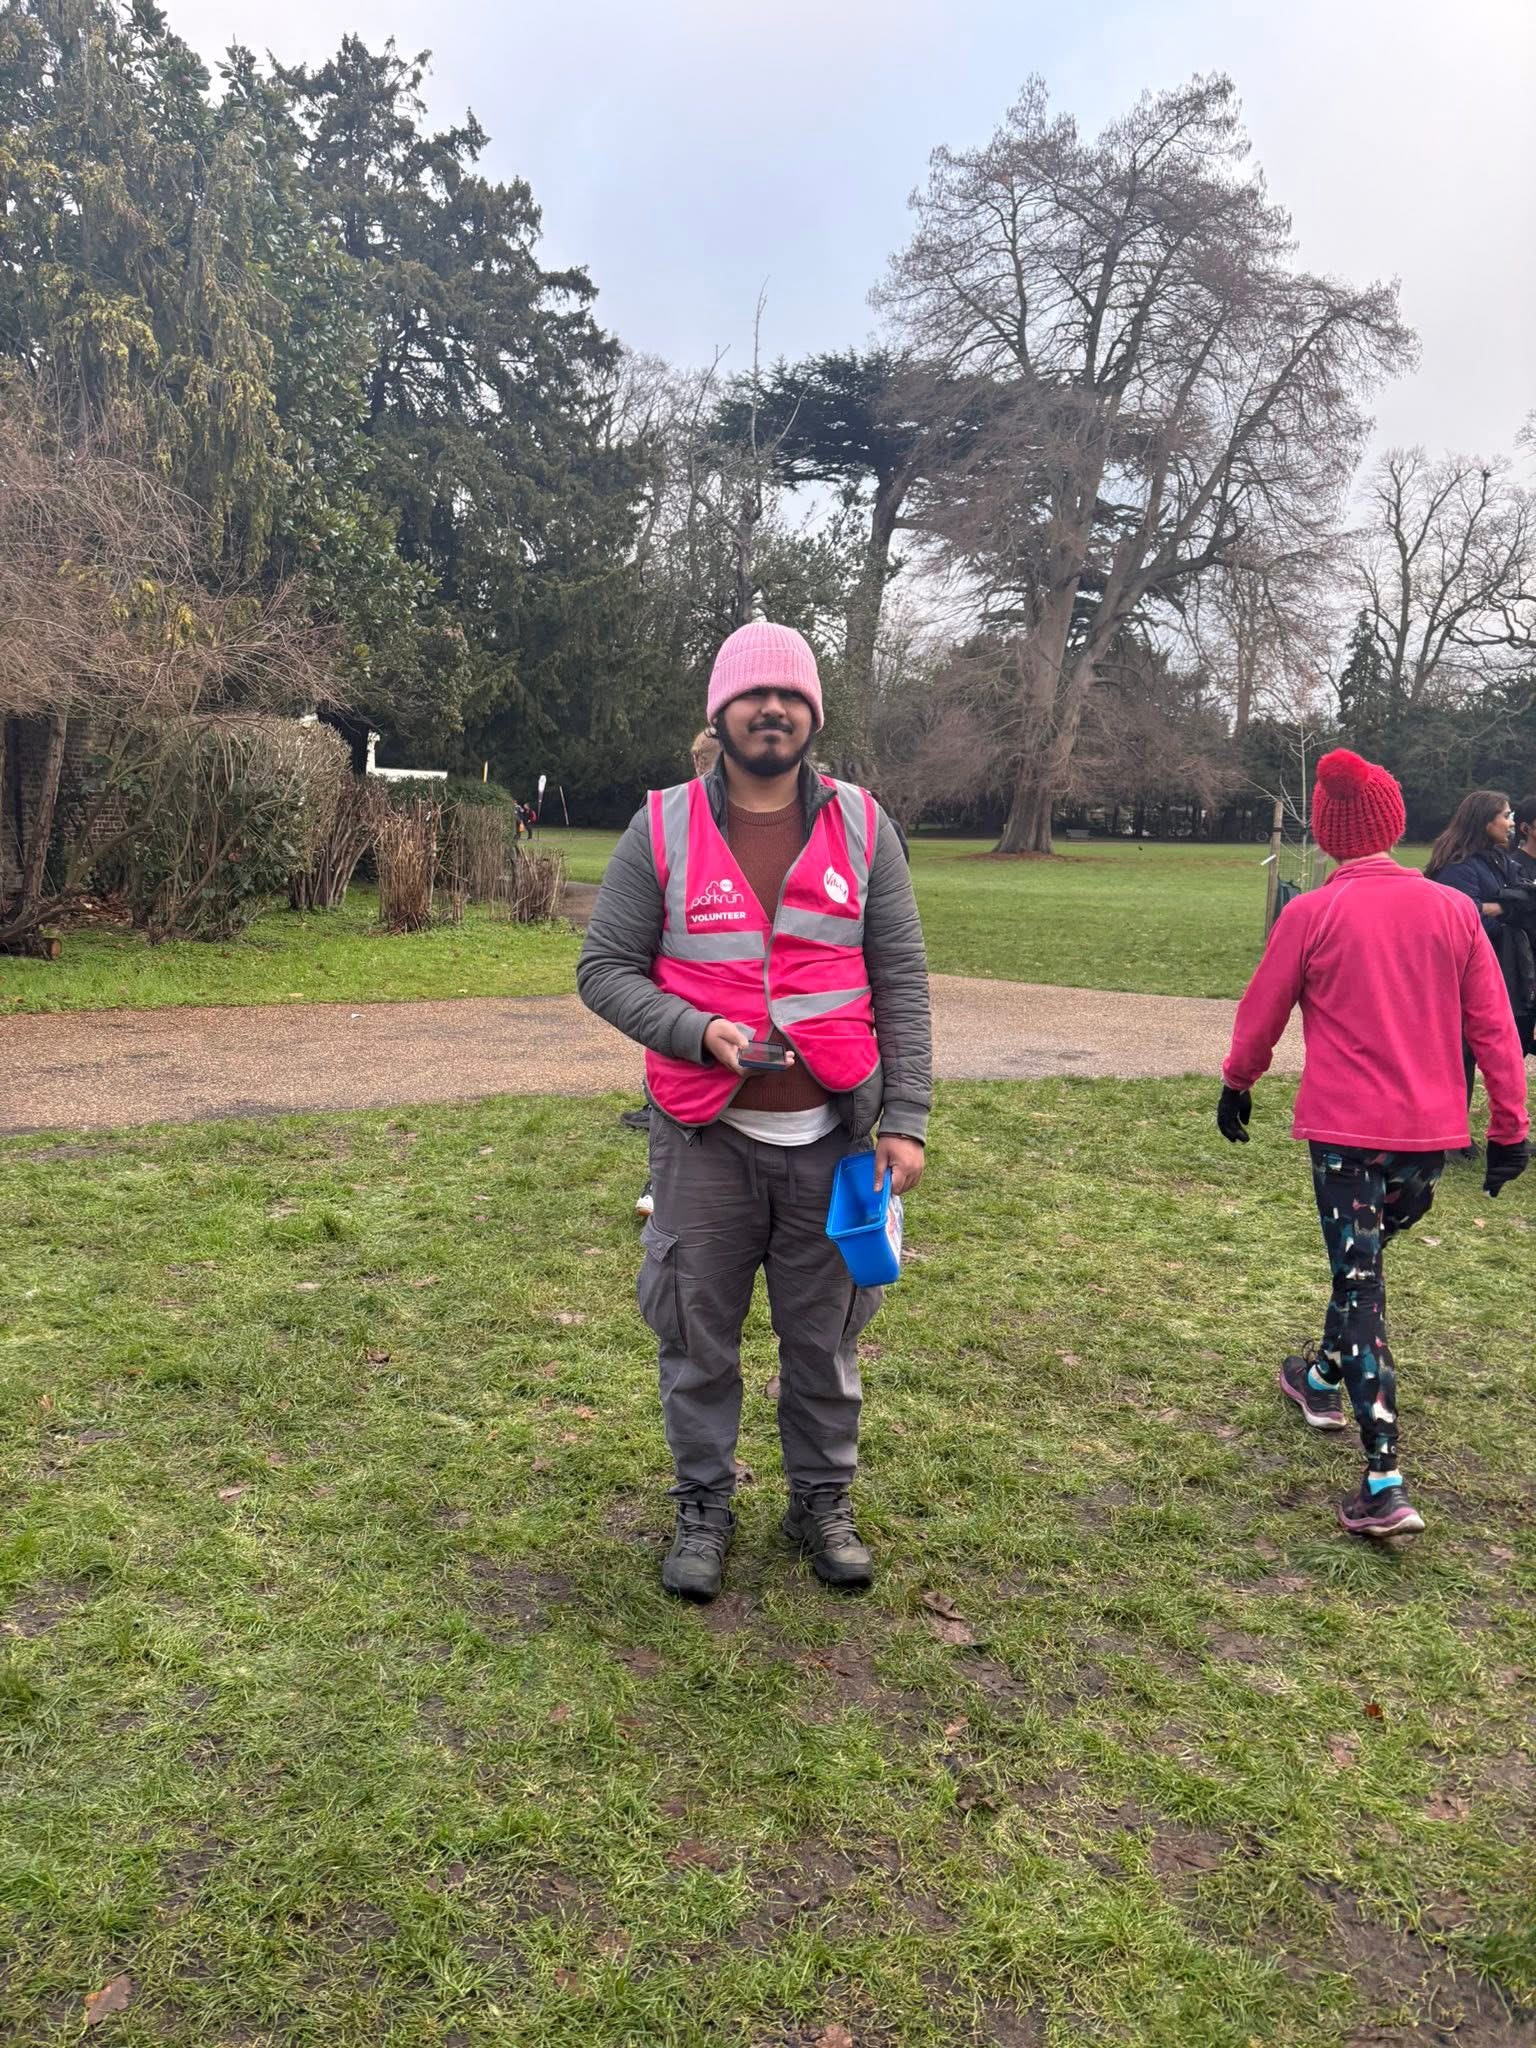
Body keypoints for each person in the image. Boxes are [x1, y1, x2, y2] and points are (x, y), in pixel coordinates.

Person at [578, 619, 932, 1601]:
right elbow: (601, 968)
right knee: (697, 1333)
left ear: (811, 715)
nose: (771, 710)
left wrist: (905, 1114)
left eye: (790, 696)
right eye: (752, 695)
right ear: (721, 711)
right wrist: (698, 1031)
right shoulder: (660, 826)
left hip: (835, 1139)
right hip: (706, 1140)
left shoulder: (864, 825)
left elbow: (899, 976)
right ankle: (704, 1503)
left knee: (824, 1336)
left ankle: (820, 1498)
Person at [1218, 748, 1528, 1541]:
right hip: (1427, 1139)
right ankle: (1319, 1375)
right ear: (1392, 823)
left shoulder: (1311, 912)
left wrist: (1239, 1081)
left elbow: (1261, 1013)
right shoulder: (1454, 911)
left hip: (1346, 1137)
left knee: (1362, 1286)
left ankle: (1383, 1477)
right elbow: (1493, 1024)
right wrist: (1509, 1128)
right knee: (1361, 1271)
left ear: (1326, 833)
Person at [633, 730, 725, 1219]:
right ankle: (657, 1179)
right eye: (698, 759)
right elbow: (613, 964)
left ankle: (657, 1179)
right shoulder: (671, 821)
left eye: (704, 758)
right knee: (670, 1101)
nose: (699, 766)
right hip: (682, 1023)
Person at [1425, 791, 1536, 1132]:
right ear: (1485, 820)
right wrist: (1502, 909)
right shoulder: (1458, 865)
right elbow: (1460, 918)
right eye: (1505, 815)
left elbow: (1527, 898)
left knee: (1494, 1047)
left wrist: (1497, 905)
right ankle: (1449, 1131)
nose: (1511, 822)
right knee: (1460, 1053)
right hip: (1462, 971)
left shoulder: (1497, 859)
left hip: (1503, 967)